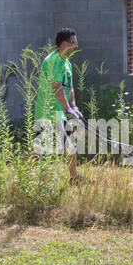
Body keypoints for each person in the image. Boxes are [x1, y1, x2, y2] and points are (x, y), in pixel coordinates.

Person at [33, 28, 83, 182]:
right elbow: (57, 87)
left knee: (68, 144)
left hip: (59, 111)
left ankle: (73, 178)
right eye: (73, 43)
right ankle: (31, 179)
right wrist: (67, 108)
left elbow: (70, 88)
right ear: (63, 44)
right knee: (40, 148)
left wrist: (73, 107)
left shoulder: (66, 63)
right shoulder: (54, 60)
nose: (76, 46)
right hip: (48, 110)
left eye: (76, 43)